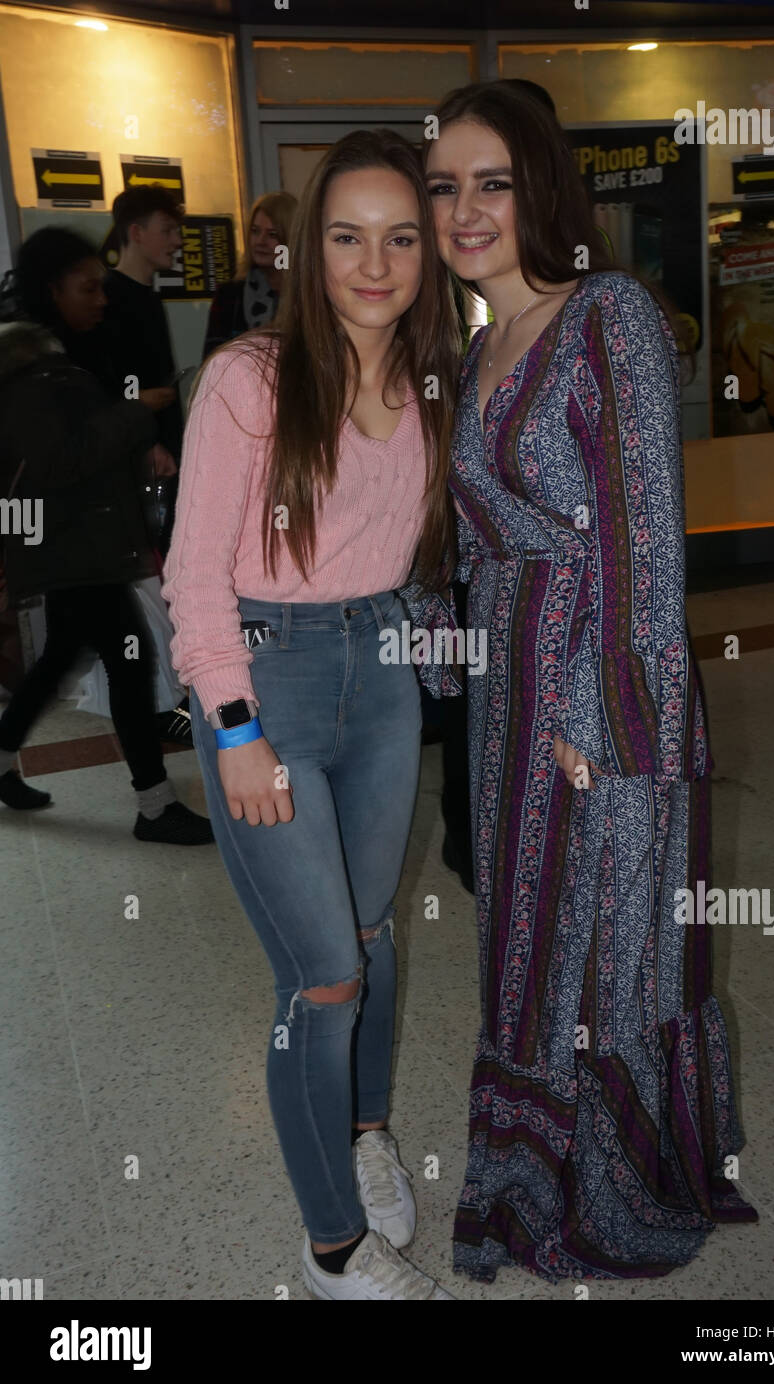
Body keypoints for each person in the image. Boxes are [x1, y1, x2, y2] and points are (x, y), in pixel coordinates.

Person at [421, 80, 758, 1283]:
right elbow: (473, 536)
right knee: (522, 933)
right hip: (508, 689)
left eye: (491, 182)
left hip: (597, 684)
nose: (465, 210)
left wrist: (595, 709)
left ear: (541, 186)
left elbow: (646, 537)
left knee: (605, 941)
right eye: (444, 186)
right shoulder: (474, 345)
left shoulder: (604, 312)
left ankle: (612, 1193)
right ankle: (526, 1180)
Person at [162, 130, 462, 1299]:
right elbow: (193, 571)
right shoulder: (251, 377)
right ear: (307, 250)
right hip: (266, 672)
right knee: (324, 973)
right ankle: (332, 1242)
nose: (374, 262)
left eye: (399, 237)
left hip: (381, 672)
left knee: (375, 936)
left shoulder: (435, 379)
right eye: (347, 236)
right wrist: (232, 726)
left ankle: (364, 1129)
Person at [0, 229, 213, 844]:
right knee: (129, 656)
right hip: (72, 541)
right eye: (87, 287)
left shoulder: (51, 356)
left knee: (64, 652)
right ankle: (154, 807)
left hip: (75, 540)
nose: (101, 298)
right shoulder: (33, 370)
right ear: (52, 290)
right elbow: (61, 460)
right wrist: (138, 411)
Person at [103, 186, 185, 548]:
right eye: (167, 230)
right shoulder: (108, 299)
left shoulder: (147, 297)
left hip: (160, 452)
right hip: (138, 460)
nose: (177, 241)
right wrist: (147, 442)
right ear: (136, 233)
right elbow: (117, 379)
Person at [202, 192, 298, 356]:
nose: (260, 241)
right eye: (255, 231)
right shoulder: (230, 295)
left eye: (272, 234)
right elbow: (212, 360)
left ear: (291, 238)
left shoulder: (309, 295)